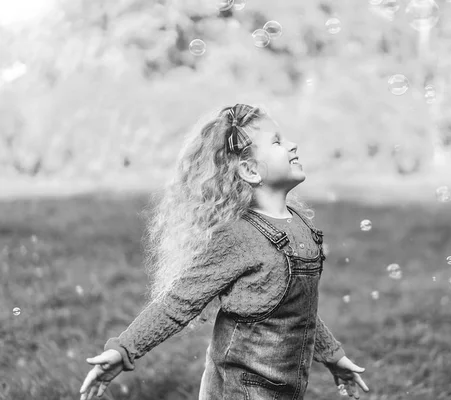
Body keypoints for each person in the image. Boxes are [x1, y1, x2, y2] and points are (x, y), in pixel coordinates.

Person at [78, 104, 370, 400]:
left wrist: (333, 356)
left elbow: (299, 310)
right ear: (250, 170)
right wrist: (124, 348)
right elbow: (178, 303)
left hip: (285, 388)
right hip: (237, 389)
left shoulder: (300, 226)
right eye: (277, 142)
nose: (292, 145)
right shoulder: (237, 237)